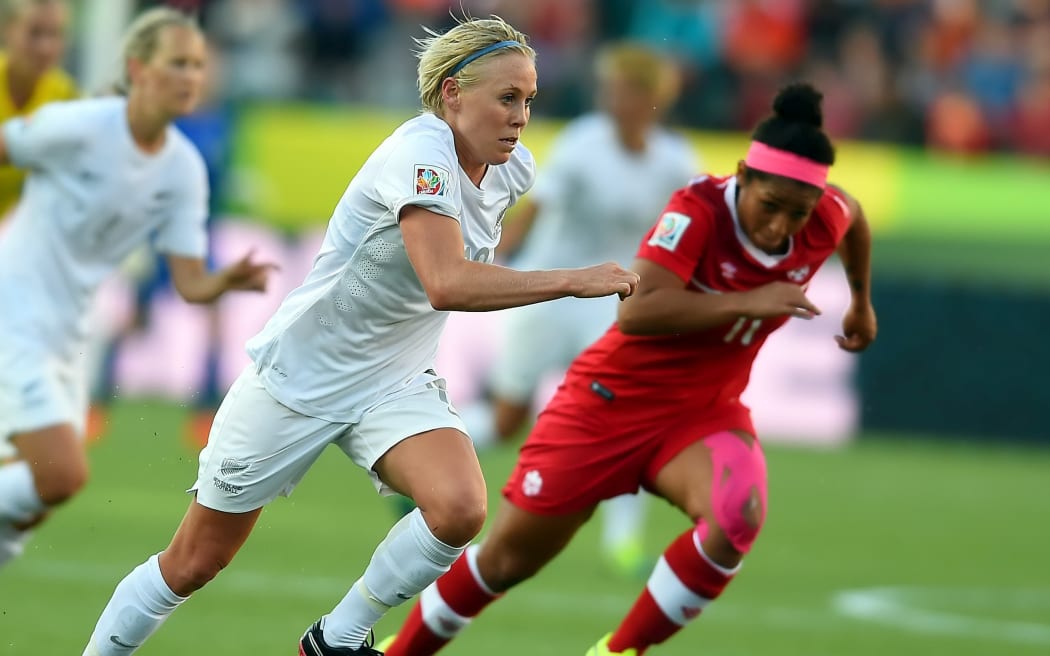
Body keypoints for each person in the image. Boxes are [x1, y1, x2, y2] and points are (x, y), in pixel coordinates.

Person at [81, 15, 638, 656]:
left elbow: (471, 266)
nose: (521, 117)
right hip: (299, 377)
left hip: (394, 379)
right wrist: (571, 280)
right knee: (193, 562)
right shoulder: (419, 155)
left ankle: (336, 638)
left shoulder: (511, 170)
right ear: (452, 94)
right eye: (507, 98)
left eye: (529, 101)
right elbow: (446, 283)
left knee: (459, 508)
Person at [379, 82, 878, 656]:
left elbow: (854, 219)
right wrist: (748, 301)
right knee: (505, 561)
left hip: (701, 414)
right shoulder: (699, 210)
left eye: (798, 213)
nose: (780, 227)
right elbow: (638, 311)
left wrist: (861, 303)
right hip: (606, 405)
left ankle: (617, 652)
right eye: (770, 207)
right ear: (743, 176)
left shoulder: (826, 213)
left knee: (736, 519)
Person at [0, 7, 275, 570]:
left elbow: (189, 282)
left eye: (197, 66)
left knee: (30, 504)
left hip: (69, 336)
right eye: (177, 63)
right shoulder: (79, 124)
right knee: (61, 474)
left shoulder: (182, 169)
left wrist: (224, 281)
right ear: (139, 69)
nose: (191, 77)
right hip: (15, 313)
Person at [460, 42, 698, 578]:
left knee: (623, 419)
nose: (611, 98)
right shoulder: (582, 143)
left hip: (609, 302)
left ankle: (623, 544)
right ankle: (416, 462)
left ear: (651, 98)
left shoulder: (674, 160)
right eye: (608, 88)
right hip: (548, 293)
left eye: (623, 89)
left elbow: (690, 224)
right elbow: (537, 208)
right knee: (506, 420)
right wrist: (490, 260)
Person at [0, 0, 75, 217]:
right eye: (34, 33)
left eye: (55, 34)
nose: (45, 48)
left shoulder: (66, 97)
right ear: (7, 29)